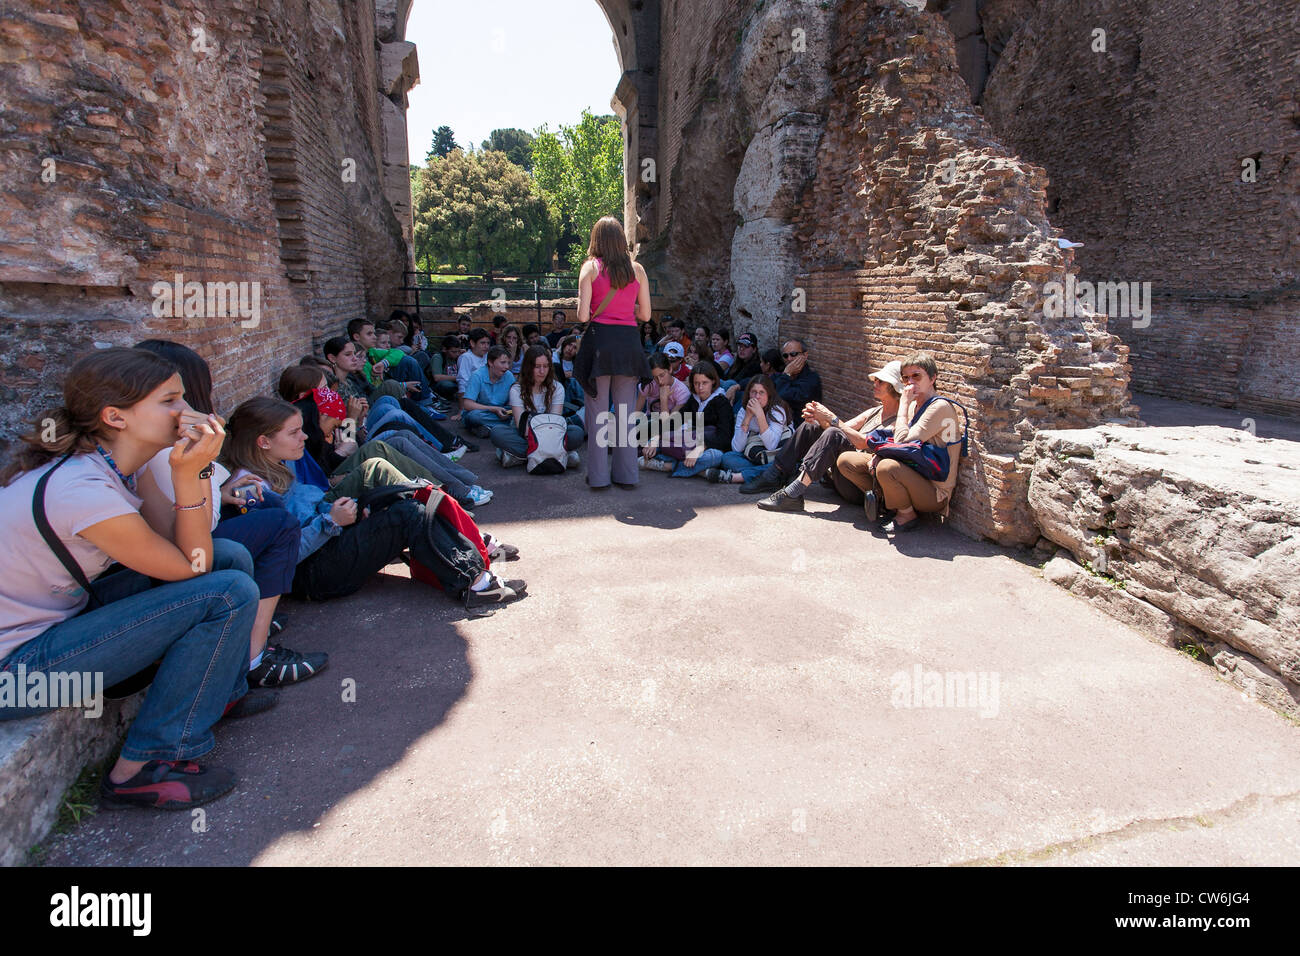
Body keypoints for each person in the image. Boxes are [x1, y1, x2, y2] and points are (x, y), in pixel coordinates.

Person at [0, 348, 263, 810]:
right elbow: (190, 566)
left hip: (55, 630)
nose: (188, 412)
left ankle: (220, 692)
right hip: (17, 674)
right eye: (170, 401)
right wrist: (189, 473)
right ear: (115, 417)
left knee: (230, 556)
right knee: (226, 591)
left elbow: (185, 545)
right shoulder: (80, 491)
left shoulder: (115, 466)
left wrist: (195, 468)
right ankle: (141, 768)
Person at [135, 340, 325, 689]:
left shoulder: (164, 447)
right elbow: (193, 533)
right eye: (170, 399)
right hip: (190, 557)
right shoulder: (164, 453)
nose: (186, 404)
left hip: (203, 534)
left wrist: (221, 493)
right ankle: (255, 656)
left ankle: (255, 622)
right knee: (277, 519)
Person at [223, 398, 525, 609]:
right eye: (295, 432)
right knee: (405, 510)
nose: (306, 434)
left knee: (400, 491)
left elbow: (313, 501)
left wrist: (343, 512)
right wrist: (331, 521)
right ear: (263, 441)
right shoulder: (251, 489)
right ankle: (473, 582)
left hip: (328, 533)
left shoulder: (279, 464)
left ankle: (469, 547)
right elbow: (280, 558)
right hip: (314, 575)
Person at [753, 360, 903, 514]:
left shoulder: (899, 421)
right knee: (811, 427)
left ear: (894, 387)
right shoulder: (874, 412)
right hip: (840, 478)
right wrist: (818, 418)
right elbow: (839, 429)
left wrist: (831, 417)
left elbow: (861, 442)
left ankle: (793, 494)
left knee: (834, 433)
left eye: (881, 381)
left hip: (859, 487)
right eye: (876, 380)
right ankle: (774, 474)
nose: (875, 383)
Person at [573, 216, 652, 489]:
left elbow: (583, 316)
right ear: (621, 240)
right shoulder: (638, 270)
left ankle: (598, 477)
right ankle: (627, 475)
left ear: (596, 239)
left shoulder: (590, 268)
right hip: (629, 346)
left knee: (596, 414)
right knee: (625, 414)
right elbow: (646, 314)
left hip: (599, 346)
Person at [871, 352, 966, 533]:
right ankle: (889, 503)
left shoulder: (939, 407)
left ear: (932, 378)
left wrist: (904, 404)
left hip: (935, 491)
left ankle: (906, 515)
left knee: (886, 468)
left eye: (916, 376)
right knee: (849, 462)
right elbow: (896, 438)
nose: (910, 382)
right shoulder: (916, 404)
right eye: (906, 378)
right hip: (916, 472)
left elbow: (901, 441)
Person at [492, 346, 585, 469]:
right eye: (537, 366)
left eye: (545, 366)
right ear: (529, 367)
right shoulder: (517, 389)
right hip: (526, 434)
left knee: (576, 433)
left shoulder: (556, 387)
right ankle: (561, 455)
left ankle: (518, 457)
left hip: (551, 432)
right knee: (497, 432)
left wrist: (548, 437)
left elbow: (556, 422)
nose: (542, 371)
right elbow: (522, 426)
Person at [703, 375, 793, 485]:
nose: (757, 396)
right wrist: (747, 418)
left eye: (761, 392)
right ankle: (766, 475)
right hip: (754, 455)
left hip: (775, 454)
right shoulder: (743, 411)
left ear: (769, 395)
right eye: (753, 392)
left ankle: (737, 477)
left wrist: (760, 416)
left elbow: (771, 445)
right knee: (728, 458)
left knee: (782, 464)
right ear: (748, 393)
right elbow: (737, 448)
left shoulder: (777, 410)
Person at [667, 361, 735, 478]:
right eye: (696, 383)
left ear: (713, 381)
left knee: (715, 456)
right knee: (663, 439)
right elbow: (676, 421)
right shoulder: (694, 399)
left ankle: (670, 466)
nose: (700, 388)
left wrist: (701, 447)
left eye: (705, 383)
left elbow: (725, 438)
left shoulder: (721, 403)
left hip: (709, 447)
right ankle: (698, 470)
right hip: (688, 443)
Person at [461, 346, 516, 439]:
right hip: (483, 412)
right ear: (490, 362)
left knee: (517, 414)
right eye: (503, 362)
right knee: (473, 416)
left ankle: (488, 428)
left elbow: (513, 402)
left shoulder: (509, 376)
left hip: (499, 412)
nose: (507, 367)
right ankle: (503, 428)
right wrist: (492, 409)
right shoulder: (477, 376)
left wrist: (509, 412)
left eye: (508, 363)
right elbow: (467, 404)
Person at [772, 339, 823, 408]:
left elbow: (785, 397)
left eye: (793, 354)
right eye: (785, 356)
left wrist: (786, 374)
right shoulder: (778, 376)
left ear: (805, 355)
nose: (789, 359)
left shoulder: (812, 379)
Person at [456, 328, 491, 402]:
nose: (486, 346)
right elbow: (463, 382)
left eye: (488, 343)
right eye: (482, 343)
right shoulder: (466, 357)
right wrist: (462, 409)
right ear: (472, 343)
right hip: (473, 395)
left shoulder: (488, 356)